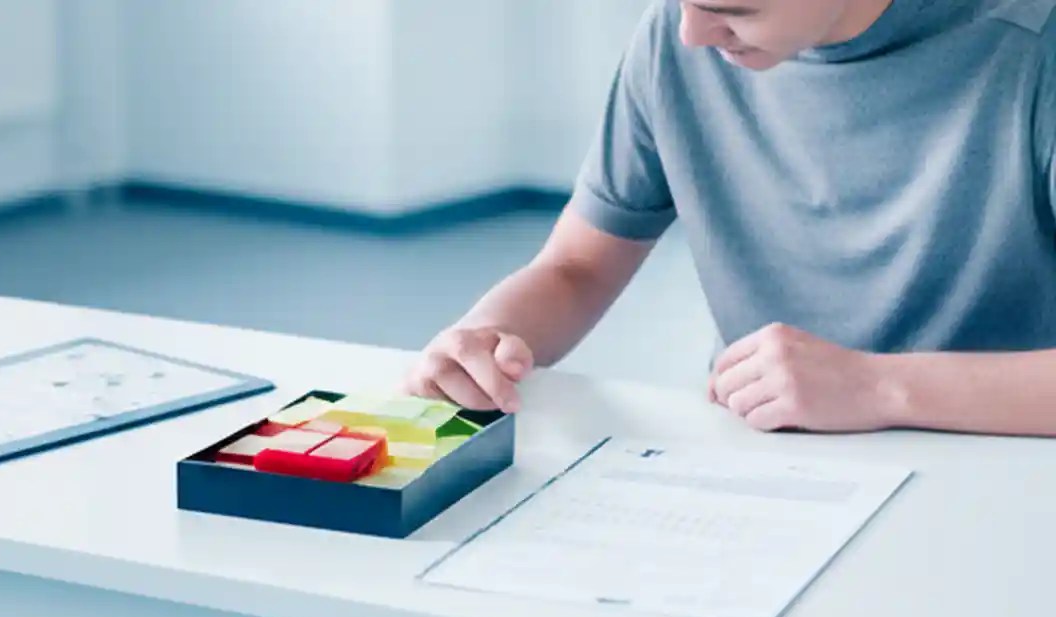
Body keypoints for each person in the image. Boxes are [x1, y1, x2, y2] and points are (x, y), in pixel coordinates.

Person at [403, 0, 1056, 436]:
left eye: (731, 7)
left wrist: (878, 388)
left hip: (998, 465)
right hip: (762, 461)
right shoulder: (676, 36)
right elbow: (577, 267)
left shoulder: (1035, 51)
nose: (691, 32)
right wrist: (486, 337)